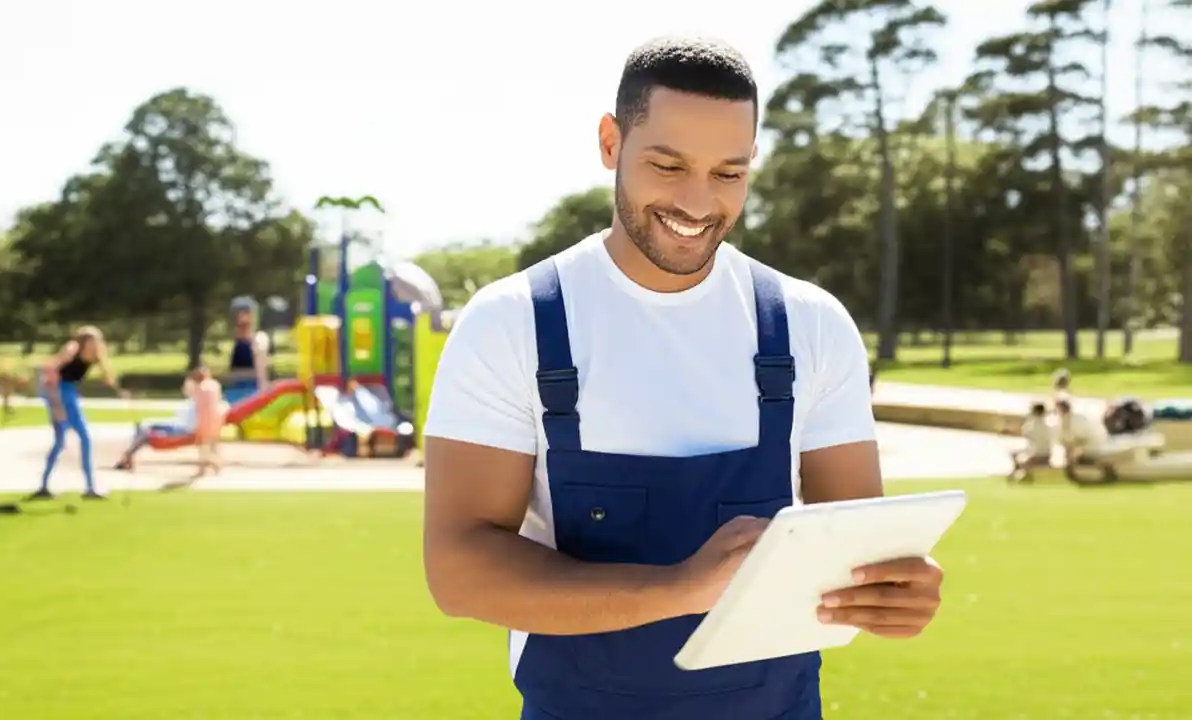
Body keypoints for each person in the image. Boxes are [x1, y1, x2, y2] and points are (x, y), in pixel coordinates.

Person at [421, 36, 945, 720]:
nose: (698, 203)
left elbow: (848, 549)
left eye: (730, 173)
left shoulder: (809, 325)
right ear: (611, 142)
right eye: (668, 165)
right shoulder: (513, 322)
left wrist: (894, 589)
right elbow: (460, 573)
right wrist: (679, 589)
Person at [31, 326, 127, 500]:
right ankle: (89, 489)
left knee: (63, 442)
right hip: (59, 393)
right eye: (92, 341)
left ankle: (45, 487)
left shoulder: (95, 356)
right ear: (84, 341)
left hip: (69, 392)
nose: (96, 344)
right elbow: (50, 370)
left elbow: (107, 376)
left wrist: (120, 391)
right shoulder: (72, 348)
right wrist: (56, 404)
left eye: (98, 341)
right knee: (83, 437)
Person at [187, 365, 227, 477]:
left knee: (203, 445)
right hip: (217, 417)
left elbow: (194, 401)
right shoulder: (214, 385)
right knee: (213, 443)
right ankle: (215, 465)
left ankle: (206, 467)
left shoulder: (199, 388)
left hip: (204, 418)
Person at [225, 308, 269, 405]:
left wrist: (263, 385)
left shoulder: (257, 341)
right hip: (236, 386)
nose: (241, 328)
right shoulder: (236, 343)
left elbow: (260, 365)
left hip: (250, 384)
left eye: (245, 325)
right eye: (240, 325)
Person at [1009, 402, 1052, 483]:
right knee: (1020, 453)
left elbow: (1023, 432)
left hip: (1036, 455)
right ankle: (1021, 472)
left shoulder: (1031, 426)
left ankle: (1018, 472)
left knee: (1014, 454)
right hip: (1047, 455)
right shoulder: (1048, 426)